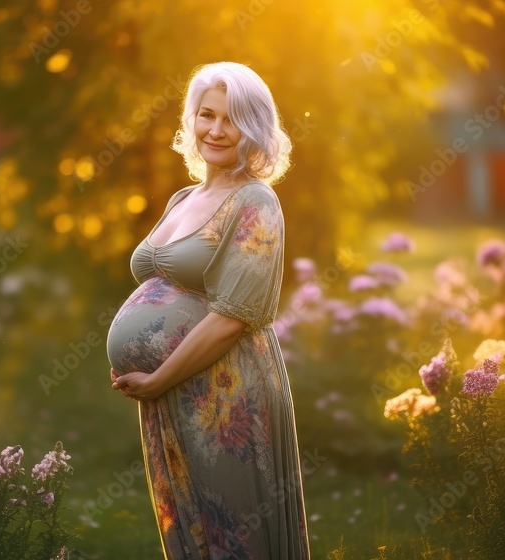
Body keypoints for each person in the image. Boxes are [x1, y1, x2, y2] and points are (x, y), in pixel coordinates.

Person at [107, 61, 310, 559]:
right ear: (191, 119)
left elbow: (231, 318)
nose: (216, 130)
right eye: (207, 115)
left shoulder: (255, 201)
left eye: (232, 119)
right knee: (191, 534)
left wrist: (157, 379)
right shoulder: (184, 197)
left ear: (254, 128)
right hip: (173, 393)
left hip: (226, 396)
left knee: (235, 539)